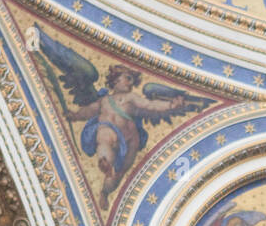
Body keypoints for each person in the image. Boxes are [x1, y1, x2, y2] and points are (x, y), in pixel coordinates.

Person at [68, 65, 184, 210]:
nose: (131, 83)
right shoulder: (104, 100)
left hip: (130, 139)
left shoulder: (131, 97)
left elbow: (150, 105)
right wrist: (75, 115)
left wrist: (170, 105)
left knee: (120, 173)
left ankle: (105, 191)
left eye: (132, 80)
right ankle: (105, 162)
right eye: (128, 78)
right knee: (103, 137)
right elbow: (89, 111)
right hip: (109, 129)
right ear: (115, 79)